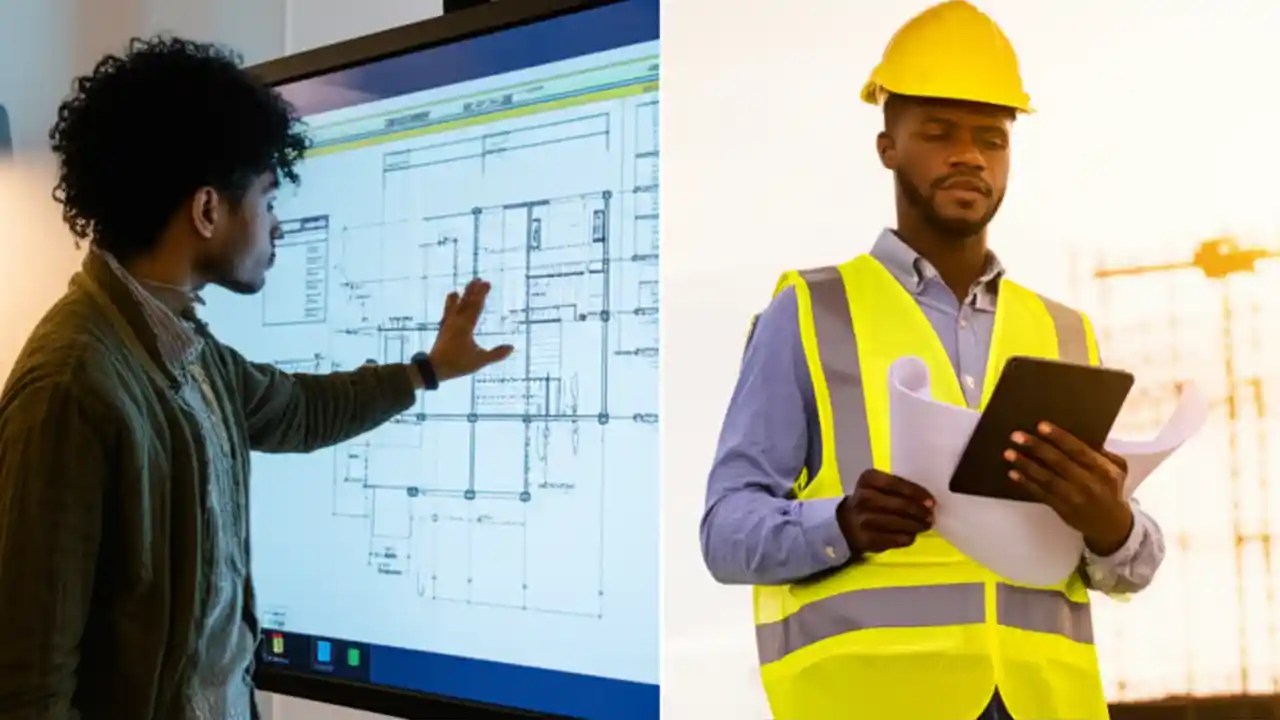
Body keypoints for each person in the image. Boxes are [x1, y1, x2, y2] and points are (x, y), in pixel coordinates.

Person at [0, 37, 513, 719]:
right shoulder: (71, 387)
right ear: (208, 210)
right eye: (267, 200)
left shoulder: (184, 349)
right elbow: (28, 687)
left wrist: (428, 370)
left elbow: (298, 410)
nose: (277, 225)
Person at [699, 2, 1165, 719]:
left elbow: (1131, 564)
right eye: (939, 132)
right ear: (888, 146)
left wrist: (1113, 524)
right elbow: (725, 531)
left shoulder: (1065, 333)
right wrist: (841, 525)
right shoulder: (812, 312)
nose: (969, 156)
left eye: (991, 138)